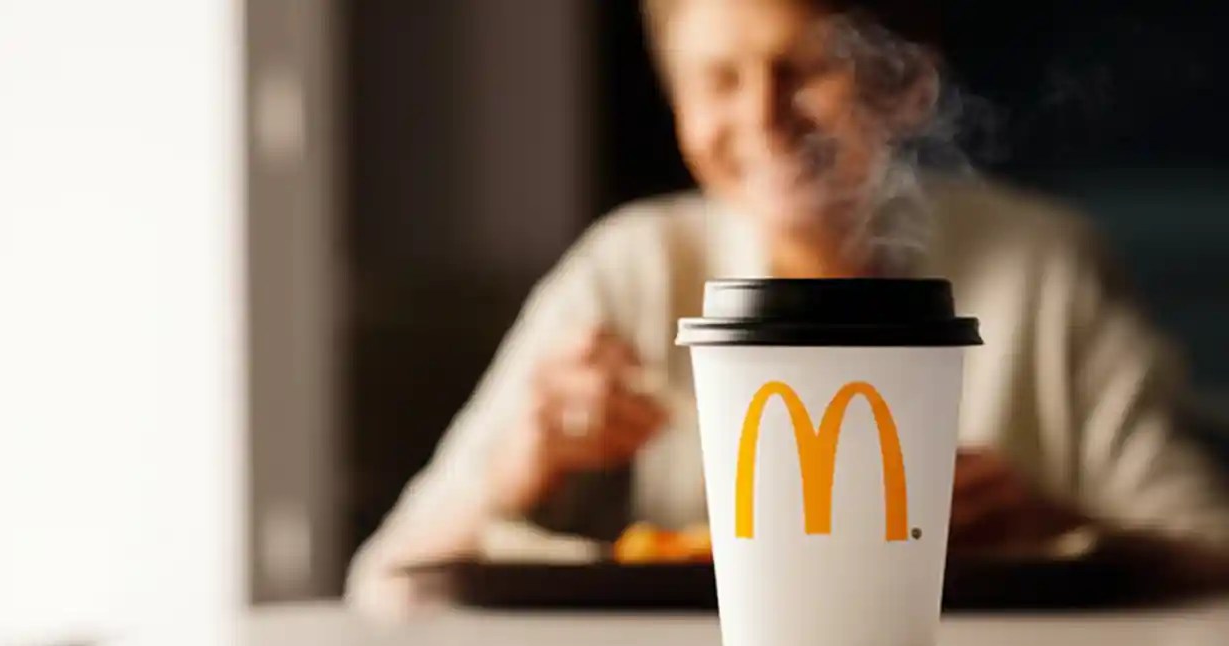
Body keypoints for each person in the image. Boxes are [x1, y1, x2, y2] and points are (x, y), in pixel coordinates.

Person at [347, 0, 1229, 612]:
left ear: (903, 79)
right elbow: (387, 581)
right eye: (717, 79)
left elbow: (1210, 554)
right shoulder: (635, 270)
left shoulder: (1044, 272)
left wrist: (1055, 532)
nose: (763, 117)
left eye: (805, 66)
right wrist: (518, 470)